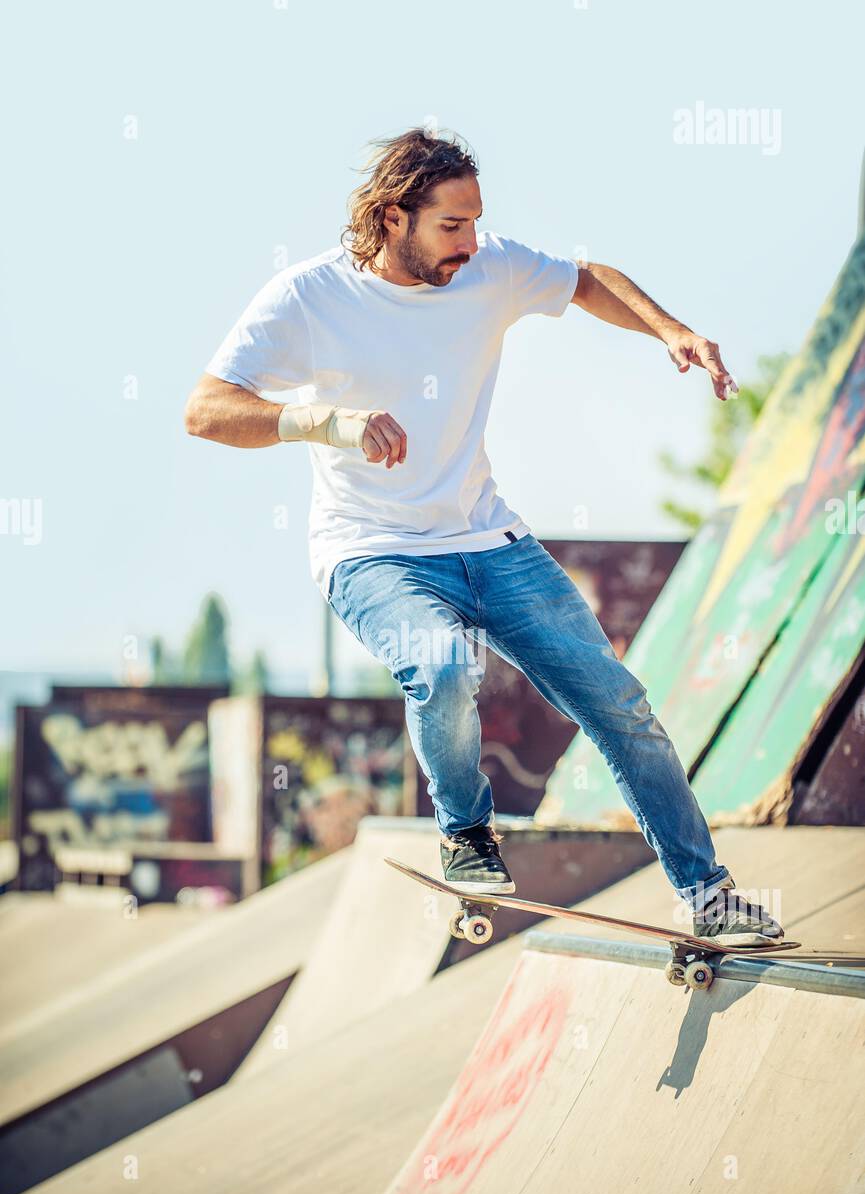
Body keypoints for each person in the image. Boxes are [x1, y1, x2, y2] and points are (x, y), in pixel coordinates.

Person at [185, 126, 781, 947]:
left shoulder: (490, 263)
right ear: (393, 217)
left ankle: (707, 894)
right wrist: (324, 420)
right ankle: (465, 832)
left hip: (488, 541)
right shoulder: (309, 298)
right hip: (372, 552)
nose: (470, 242)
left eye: (475, 222)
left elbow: (585, 280)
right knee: (440, 663)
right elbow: (206, 410)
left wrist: (668, 330)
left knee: (620, 704)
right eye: (450, 226)